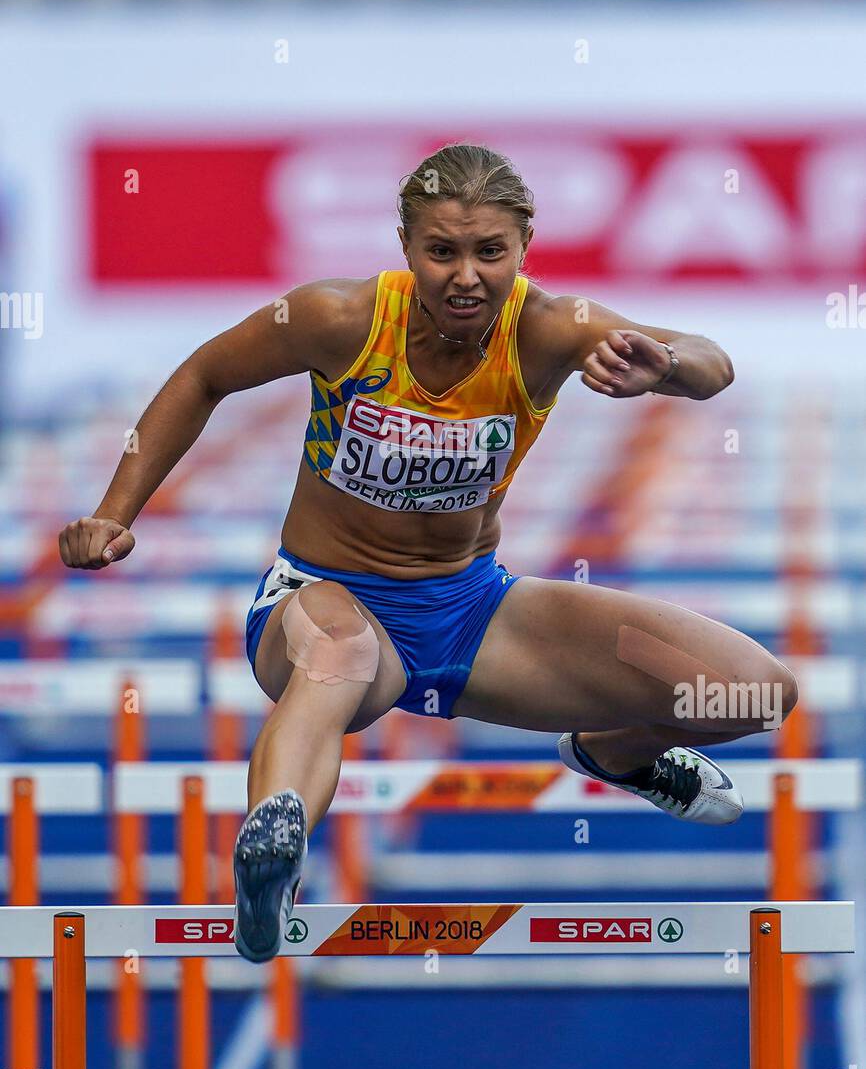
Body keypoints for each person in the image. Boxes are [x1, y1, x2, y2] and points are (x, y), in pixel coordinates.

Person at [58, 143, 798, 963]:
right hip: (327, 605)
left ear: (524, 249)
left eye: (491, 253)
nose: (466, 277)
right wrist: (115, 513)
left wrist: (667, 366)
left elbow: (714, 363)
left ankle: (616, 755)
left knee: (752, 695)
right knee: (338, 650)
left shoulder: (550, 327)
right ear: (406, 247)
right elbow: (204, 375)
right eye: (441, 251)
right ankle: (273, 851)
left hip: (472, 611)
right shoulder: (338, 318)